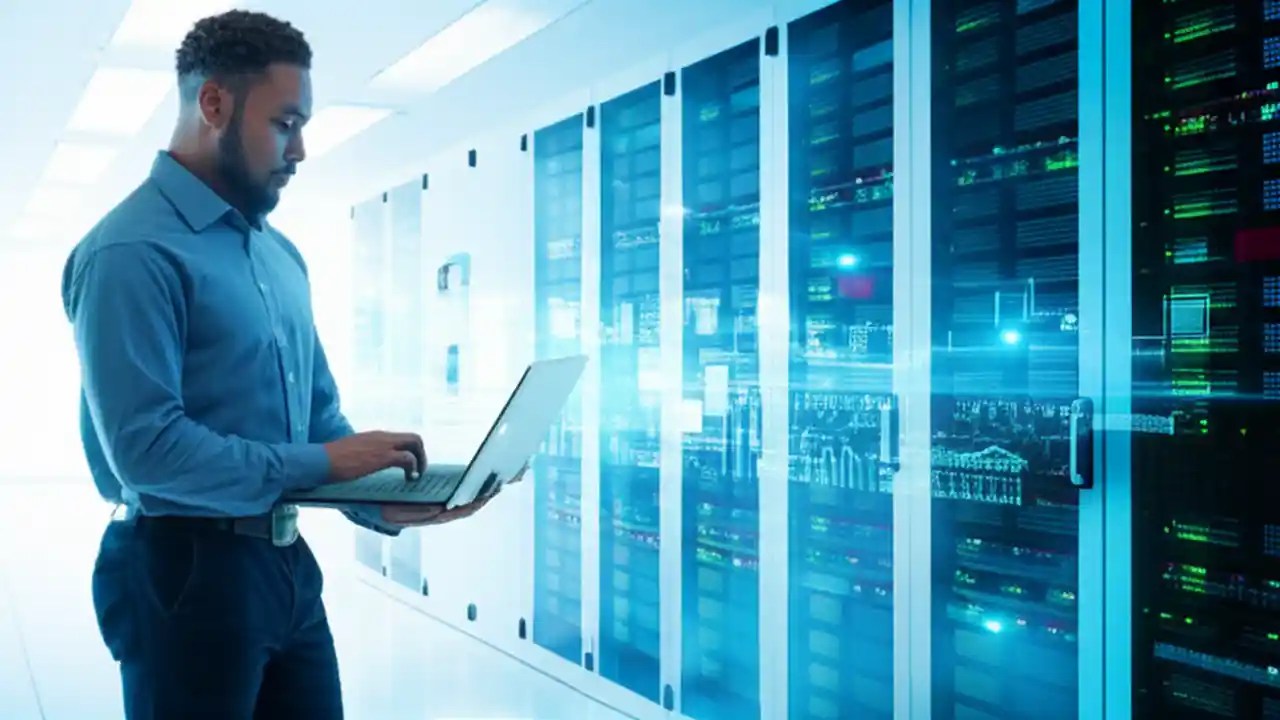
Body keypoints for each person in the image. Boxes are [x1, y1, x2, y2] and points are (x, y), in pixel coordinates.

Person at [60, 10, 509, 719]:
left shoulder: (278, 255)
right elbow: (148, 453)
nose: (299, 148)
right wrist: (328, 465)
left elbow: (318, 417)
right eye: (285, 122)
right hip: (183, 572)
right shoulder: (131, 254)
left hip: (286, 568)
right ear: (214, 104)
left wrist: (380, 495)